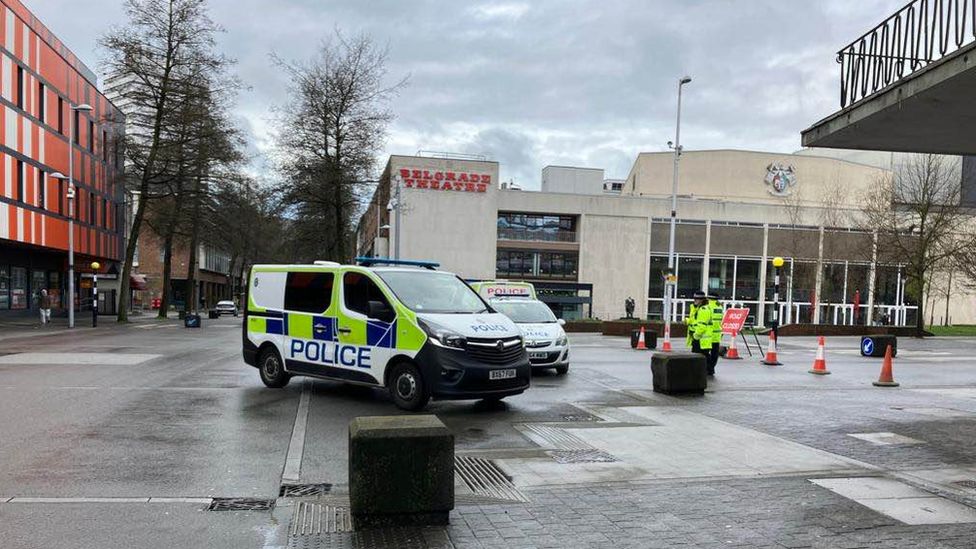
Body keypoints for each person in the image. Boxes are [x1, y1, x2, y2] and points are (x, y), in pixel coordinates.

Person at [689, 291, 713, 364]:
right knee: (704, 356)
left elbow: (702, 326)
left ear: (702, 300)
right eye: (694, 298)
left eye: (697, 299)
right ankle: (708, 371)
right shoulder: (699, 308)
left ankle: (706, 372)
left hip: (701, 339)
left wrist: (695, 335)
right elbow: (695, 321)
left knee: (699, 357)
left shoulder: (703, 310)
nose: (695, 300)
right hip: (701, 339)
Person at [706, 293, 723, 376]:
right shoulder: (719, 307)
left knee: (705, 353)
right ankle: (711, 368)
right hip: (717, 334)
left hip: (708, 334)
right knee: (714, 354)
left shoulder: (707, 307)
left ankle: (709, 368)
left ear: (709, 298)